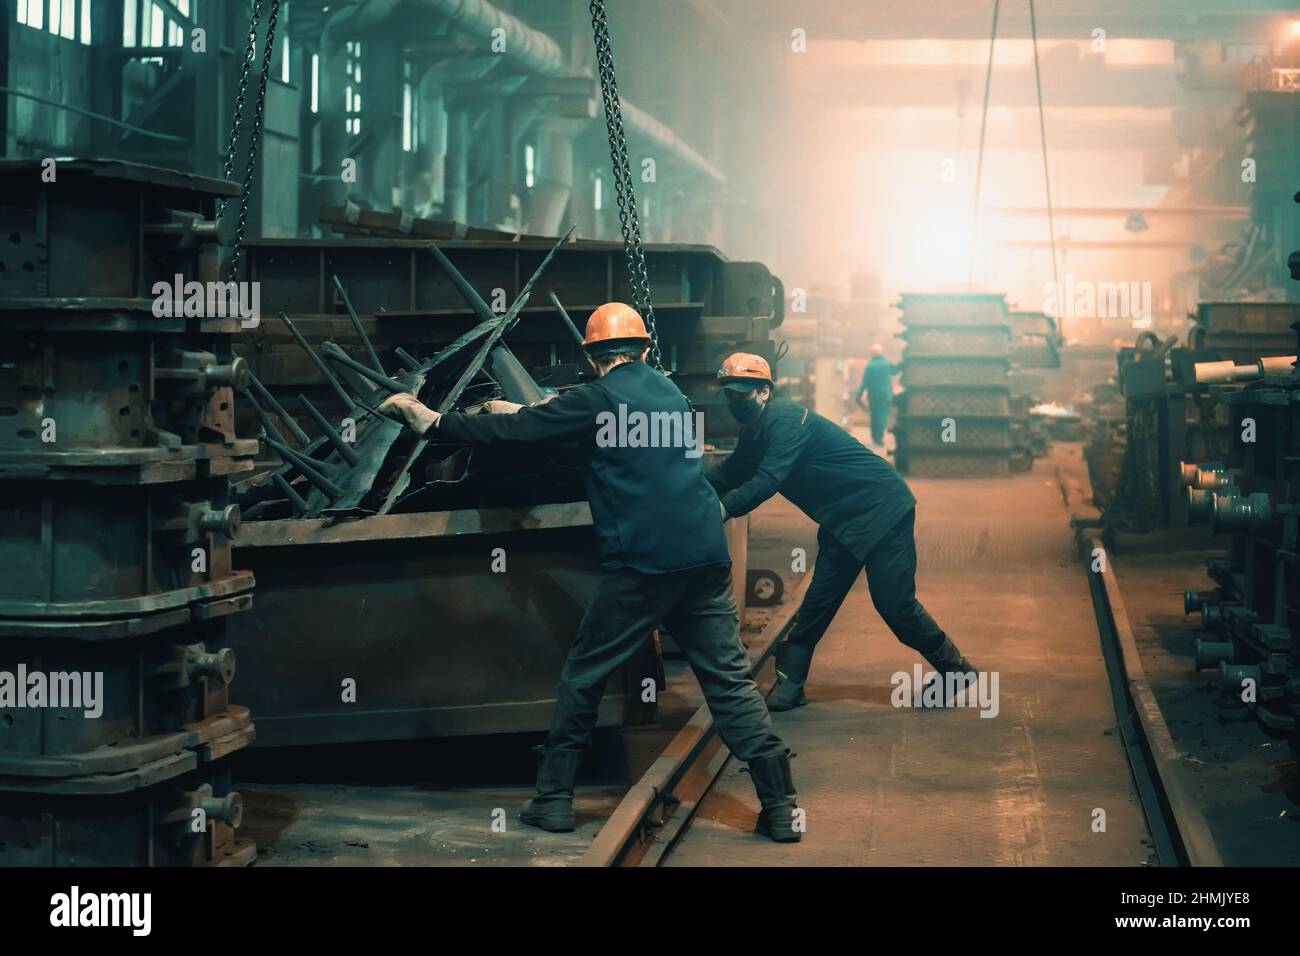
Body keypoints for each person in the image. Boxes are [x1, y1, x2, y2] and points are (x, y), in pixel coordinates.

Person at [378, 305, 801, 843]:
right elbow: (609, 434)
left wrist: (432, 420)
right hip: (703, 554)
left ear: (591, 356)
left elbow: (524, 435)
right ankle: (781, 806)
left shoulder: (596, 398)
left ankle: (554, 800)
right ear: (645, 350)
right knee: (729, 683)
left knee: (584, 675)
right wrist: (534, 410)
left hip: (643, 564)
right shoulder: (671, 395)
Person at [707, 352, 976, 712]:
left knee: (895, 606)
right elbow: (729, 472)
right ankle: (791, 685)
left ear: (765, 391)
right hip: (842, 522)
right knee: (818, 604)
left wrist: (720, 510)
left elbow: (768, 479)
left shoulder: (785, 420)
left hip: (882, 509)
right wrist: (687, 492)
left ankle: (956, 670)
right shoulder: (754, 433)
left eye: (743, 393)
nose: (735, 401)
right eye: (730, 394)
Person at [854, 344, 896, 446]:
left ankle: (875, 437)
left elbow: (865, 383)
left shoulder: (870, 366)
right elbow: (895, 371)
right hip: (885, 395)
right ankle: (879, 437)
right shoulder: (886, 364)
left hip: (873, 395)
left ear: (871, 354)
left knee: (874, 416)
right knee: (882, 415)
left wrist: (858, 396)